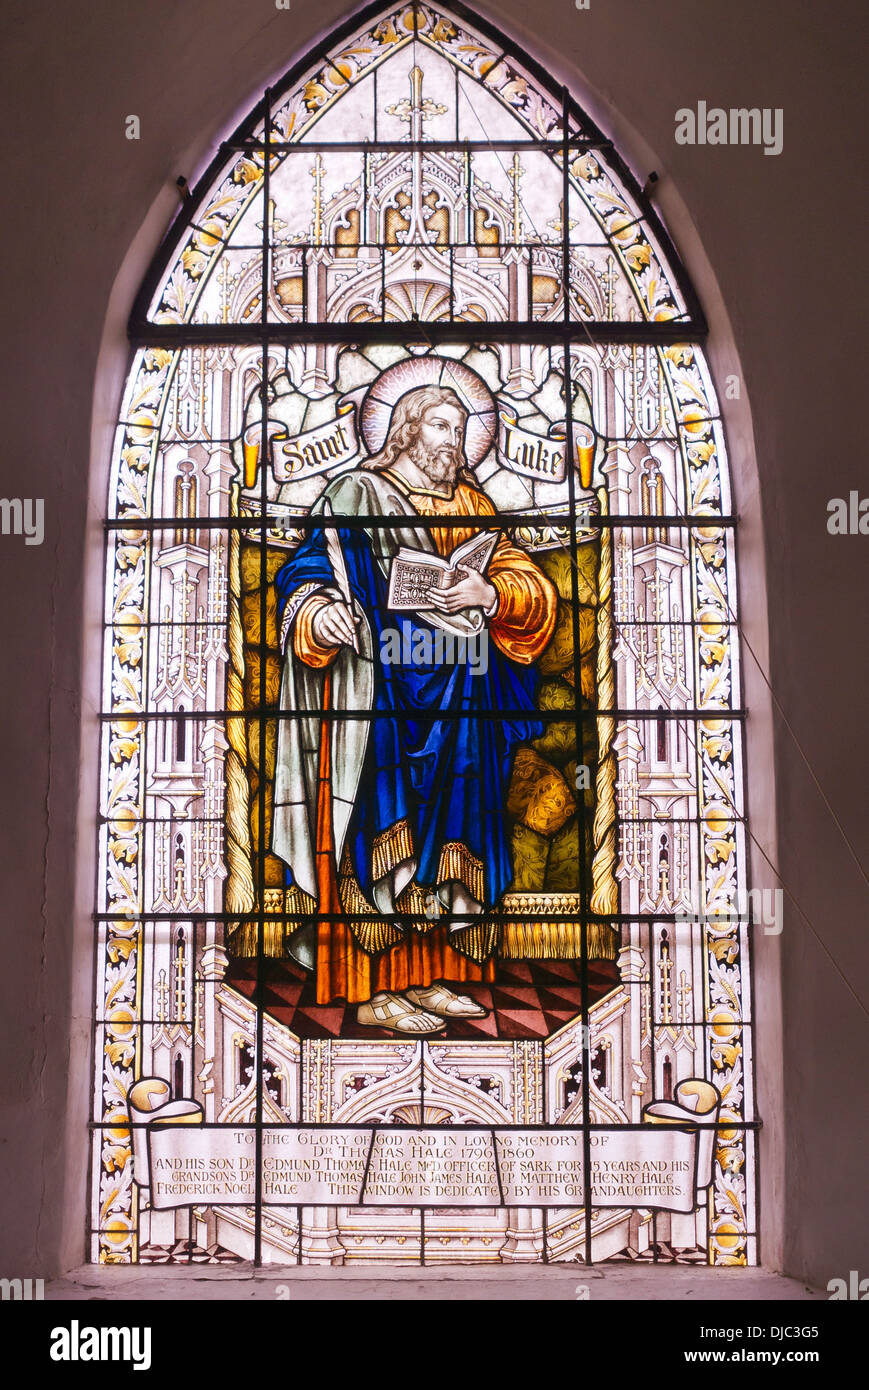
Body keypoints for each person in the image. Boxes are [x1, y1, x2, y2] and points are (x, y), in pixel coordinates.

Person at [272, 384, 557, 1032]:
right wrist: (318, 614)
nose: (453, 440)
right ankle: (370, 986)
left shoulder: (471, 504)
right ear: (402, 429)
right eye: (440, 425)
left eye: (460, 428)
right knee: (377, 838)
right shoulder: (354, 494)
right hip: (380, 697)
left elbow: (524, 582)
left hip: (460, 701)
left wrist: (488, 590)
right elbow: (307, 572)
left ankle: (432, 976)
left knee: (446, 843)